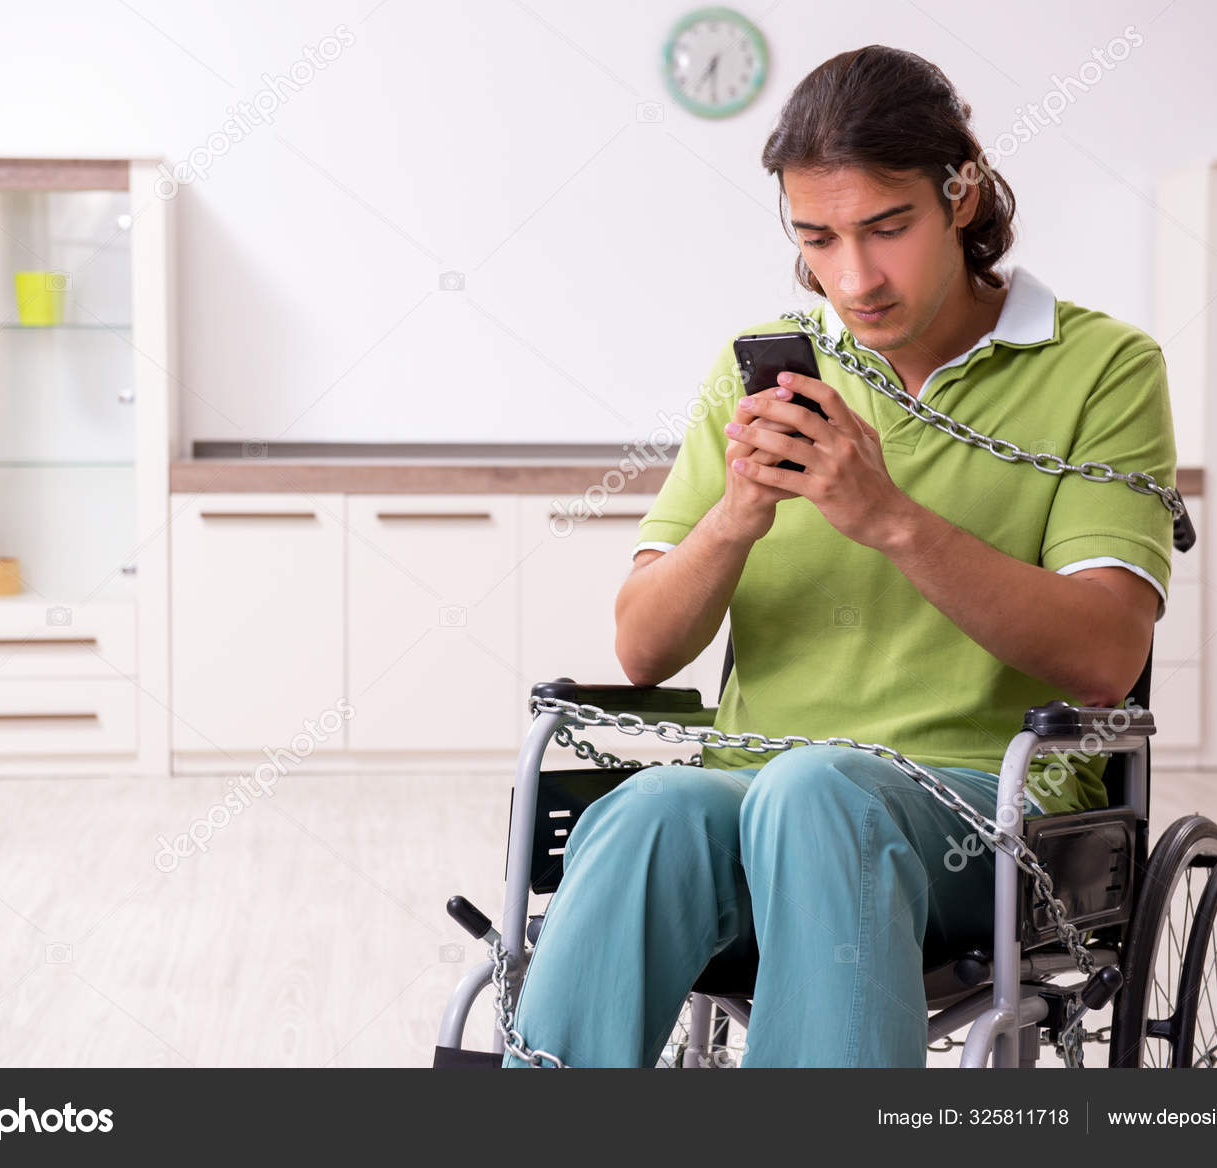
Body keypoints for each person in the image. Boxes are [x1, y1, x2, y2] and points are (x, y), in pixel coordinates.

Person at [501, 44, 1177, 1068]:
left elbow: (1103, 658)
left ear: (961, 193)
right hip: (751, 797)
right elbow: (641, 651)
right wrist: (730, 520)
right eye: (817, 237)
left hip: (981, 823)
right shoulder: (762, 371)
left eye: (885, 228)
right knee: (650, 809)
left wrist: (892, 519)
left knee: (817, 791)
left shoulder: (1102, 368)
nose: (853, 277)